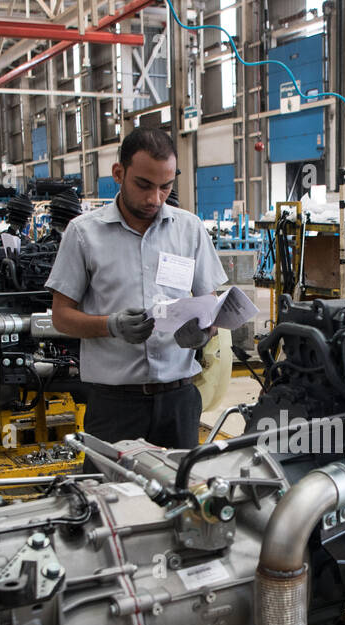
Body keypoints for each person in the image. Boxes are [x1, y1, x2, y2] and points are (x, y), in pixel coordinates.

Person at [45, 127, 228, 452]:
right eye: (143, 185)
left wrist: (204, 331)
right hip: (115, 405)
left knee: (181, 498)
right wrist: (110, 325)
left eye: (165, 187)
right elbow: (61, 316)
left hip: (179, 400)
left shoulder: (190, 230)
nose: (154, 198)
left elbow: (209, 303)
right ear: (119, 173)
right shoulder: (84, 234)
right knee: (110, 498)